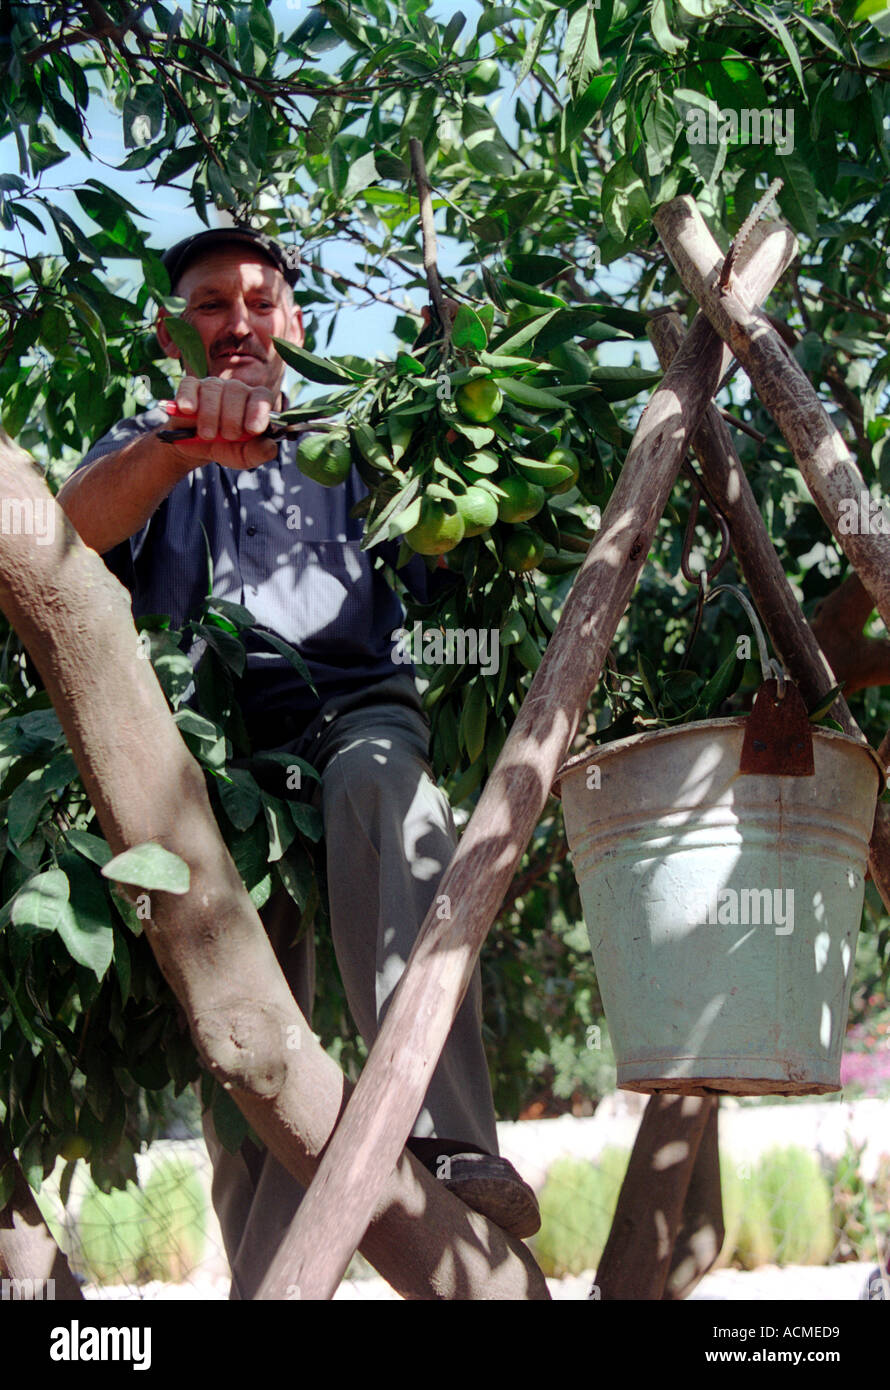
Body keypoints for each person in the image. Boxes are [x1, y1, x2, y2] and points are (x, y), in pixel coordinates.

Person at [57, 226, 539, 1298]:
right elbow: (67, 535)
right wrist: (184, 443)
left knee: (383, 792)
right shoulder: (150, 435)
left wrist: (450, 405)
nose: (237, 322)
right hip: (215, 763)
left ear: (298, 324)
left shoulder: (351, 430)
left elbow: (449, 545)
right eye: (209, 304)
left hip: (358, 712)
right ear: (168, 329)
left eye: (259, 301)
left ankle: (450, 1142)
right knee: (244, 1011)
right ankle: (270, 1274)